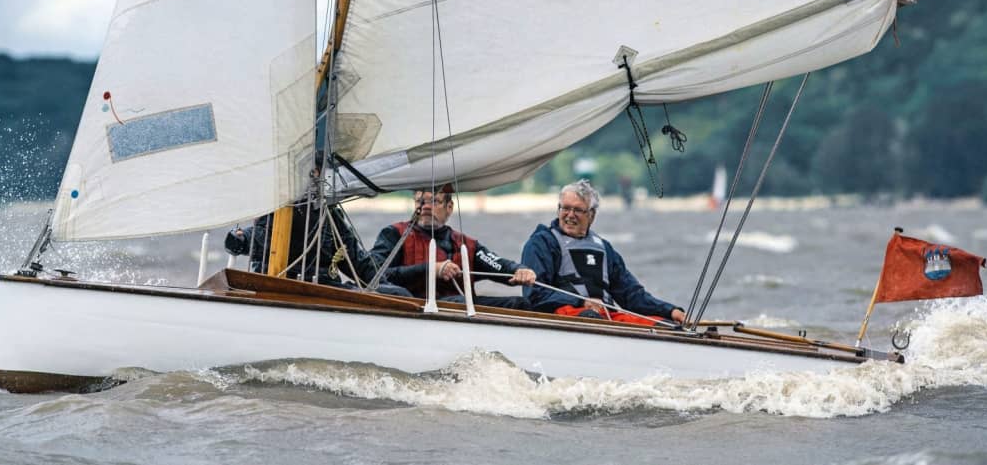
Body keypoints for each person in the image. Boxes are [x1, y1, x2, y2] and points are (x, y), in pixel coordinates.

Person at [225, 153, 409, 297]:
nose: (317, 179)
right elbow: (261, 236)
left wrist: (385, 287)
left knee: (399, 294)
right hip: (281, 287)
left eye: (319, 173)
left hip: (323, 288)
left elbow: (356, 261)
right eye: (313, 173)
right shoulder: (281, 210)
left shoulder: (329, 216)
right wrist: (240, 240)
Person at [521, 179, 686, 326]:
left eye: (578, 210)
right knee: (591, 317)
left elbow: (631, 295)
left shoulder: (604, 248)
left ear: (591, 215)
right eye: (566, 208)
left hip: (606, 316)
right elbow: (535, 295)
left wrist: (671, 311)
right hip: (565, 315)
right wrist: (580, 301)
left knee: (667, 325)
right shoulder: (542, 243)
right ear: (558, 209)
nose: (570, 215)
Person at [370, 184, 537, 309]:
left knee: (519, 304)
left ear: (449, 208)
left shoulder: (467, 245)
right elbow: (373, 274)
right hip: (413, 310)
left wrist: (519, 270)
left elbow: (498, 265)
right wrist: (431, 269)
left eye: (434, 201)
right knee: (460, 303)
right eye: (421, 201)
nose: (426, 206)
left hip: (461, 310)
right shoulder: (394, 235)